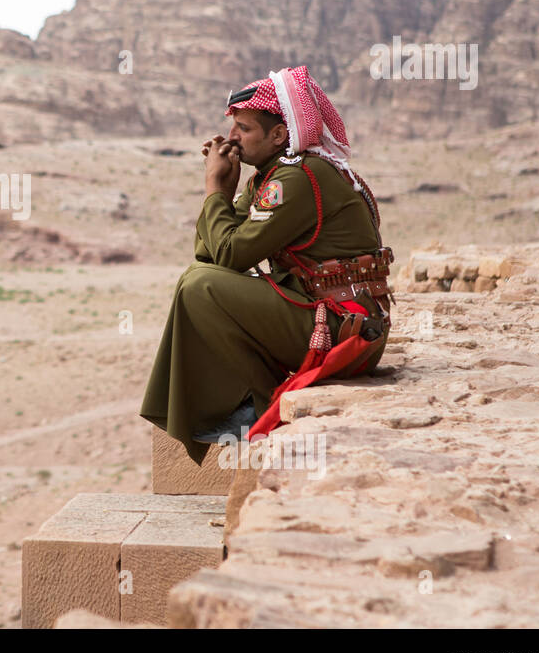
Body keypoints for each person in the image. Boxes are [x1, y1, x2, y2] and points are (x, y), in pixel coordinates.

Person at [139, 65, 393, 465]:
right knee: (201, 282)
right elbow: (211, 253)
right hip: (319, 316)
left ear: (279, 134)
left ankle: (258, 404)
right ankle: (247, 401)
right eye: (233, 127)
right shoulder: (269, 177)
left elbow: (228, 256)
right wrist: (223, 189)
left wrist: (213, 189)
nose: (232, 138)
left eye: (244, 128)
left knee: (199, 287)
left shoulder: (299, 178)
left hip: (346, 328)